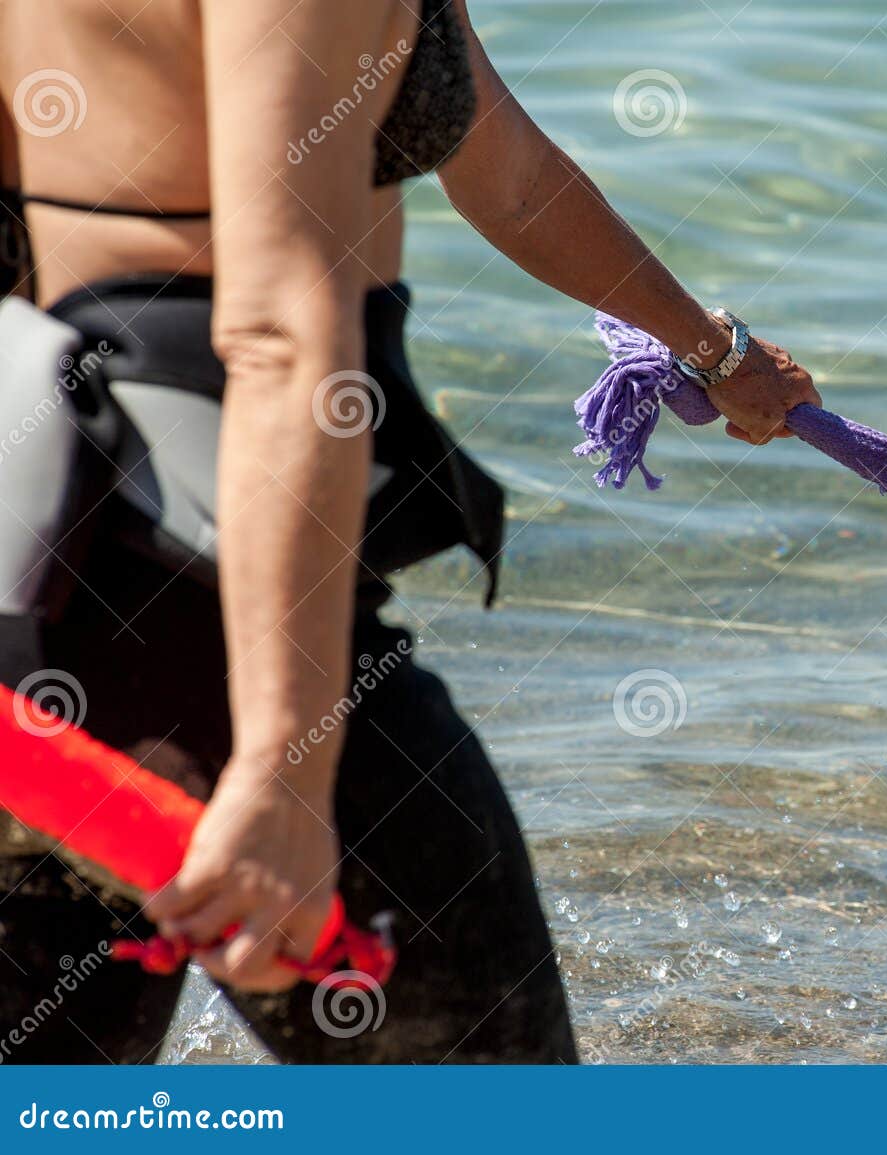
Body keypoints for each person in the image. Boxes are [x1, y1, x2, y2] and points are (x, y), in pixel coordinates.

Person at [0, 0, 819, 1063]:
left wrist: (705, 348)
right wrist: (284, 779)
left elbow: (506, 168)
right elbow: (280, 338)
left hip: (35, 599)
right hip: (194, 609)